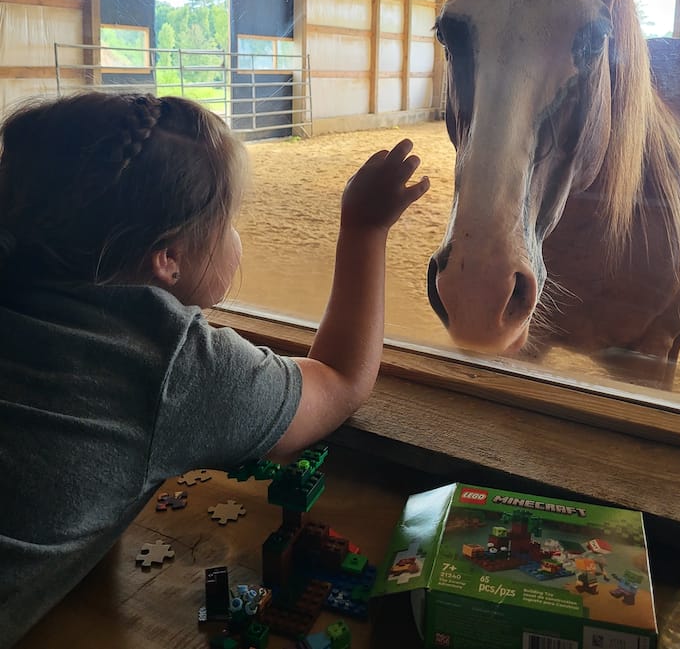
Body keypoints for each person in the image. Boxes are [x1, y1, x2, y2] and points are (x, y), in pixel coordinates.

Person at [0, 91, 429, 647]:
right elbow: (341, 379)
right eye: (227, 220)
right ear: (167, 259)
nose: (235, 236)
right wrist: (365, 227)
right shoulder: (168, 361)